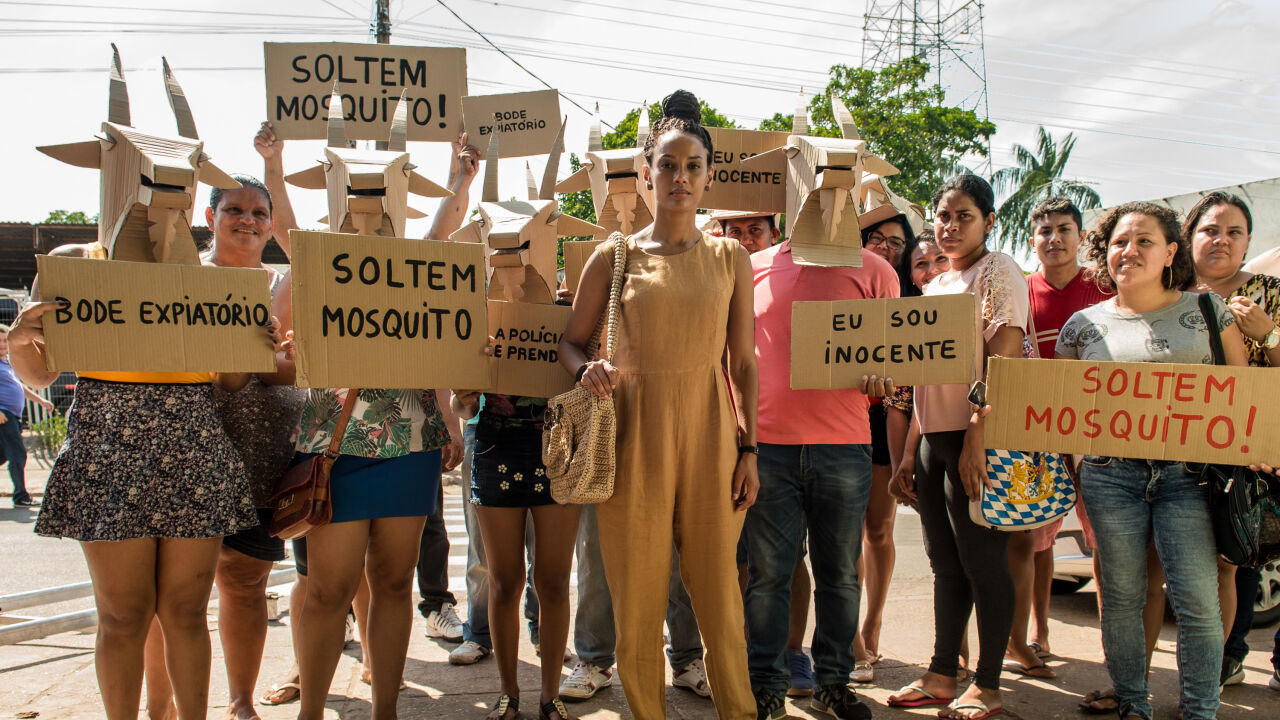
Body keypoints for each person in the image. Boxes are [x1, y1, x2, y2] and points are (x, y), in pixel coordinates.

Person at [8, 240, 271, 719]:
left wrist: (250, 343)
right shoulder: (75, 262)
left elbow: (231, 382)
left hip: (191, 448)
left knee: (186, 613)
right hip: (108, 448)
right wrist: (19, 339)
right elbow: (41, 376)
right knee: (123, 615)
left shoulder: (202, 272)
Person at [558, 90, 758, 720]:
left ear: (708, 176)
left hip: (711, 433)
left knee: (720, 592)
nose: (679, 178)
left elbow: (744, 363)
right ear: (645, 173)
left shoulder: (731, 257)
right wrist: (585, 366)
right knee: (637, 598)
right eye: (667, 165)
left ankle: (741, 710)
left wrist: (749, 447)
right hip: (631, 435)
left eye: (692, 166)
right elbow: (568, 343)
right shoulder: (612, 256)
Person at [1056, 201, 1271, 720]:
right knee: (1123, 598)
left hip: (1190, 478)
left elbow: (1241, 393)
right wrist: (1080, 470)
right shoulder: (1079, 327)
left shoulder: (1206, 311)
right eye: (1118, 242)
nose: (1129, 251)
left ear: (1171, 251)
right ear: (1104, 252)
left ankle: (1200, 710)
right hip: (1111, 479)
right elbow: (1059, 409)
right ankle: (1133, 703)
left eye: (1144, 241)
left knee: (1196, 602)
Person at [141, 173, 306, 720]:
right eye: (234, 209)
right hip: (183, 453)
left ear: (271, 225)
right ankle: (161, 704)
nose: (248, 220)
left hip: (261, 458)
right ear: (209, 217)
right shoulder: (178, 279)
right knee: (169, 596)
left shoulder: (281, 286)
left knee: (245, 581)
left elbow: (295, 371)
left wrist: (273, 359)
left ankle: (239, 702)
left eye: (259, 212)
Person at [743, 203, 900, 720]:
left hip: (844, 446)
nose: (826, 204)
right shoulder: (754, 266)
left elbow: (890, 359)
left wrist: (883, 381)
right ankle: (765, 685)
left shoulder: (876, 270)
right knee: (769, 574)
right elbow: (734, 355)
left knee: (839, 574)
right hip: (767, 447)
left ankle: (835, 683)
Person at [887, 174, 1028, 720]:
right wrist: (907, 455)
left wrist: (979, 436)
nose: (949, 226)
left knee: (983, 562)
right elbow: (924, 380)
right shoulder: (935, 286)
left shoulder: (999, 272)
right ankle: (943, 674)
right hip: (933, 442)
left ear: (989, 221)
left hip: (980, 440)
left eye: (963, 215)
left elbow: (1005, 358)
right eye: (943, 216)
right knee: (945, 564)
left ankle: (988, 684)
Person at [1005, 197, 1113, 680]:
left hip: (1100, 435)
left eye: (1064, 228)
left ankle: (1117, 643)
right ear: (1033, 240)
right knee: (1037, 539)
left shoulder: (1105, 288)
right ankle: (1039, 632)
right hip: (1039, 436)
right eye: (1044, 230)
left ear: (1080, 235)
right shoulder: (1021, 291)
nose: (1054, 238)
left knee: (1107, 543)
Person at [715, 208, 815, 696]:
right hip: (714, 438)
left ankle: (793, 655)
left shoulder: (787, 277)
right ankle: (743, 660)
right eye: (733, 231)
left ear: (776, 234)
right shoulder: (705, 274)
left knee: (787, 558)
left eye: (755, 230)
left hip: (774, 440)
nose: (744, 239)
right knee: (730, 560)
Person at [1182, 191, 1280, 689]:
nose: (1221, 240)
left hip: (1258, 454)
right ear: (1188, 236)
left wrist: (1268, 335)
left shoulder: (1270, 291)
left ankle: (1241, 661)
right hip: (1186, 452)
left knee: (1246, 555)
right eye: (1209, 230)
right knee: (1214, 563)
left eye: (1234, 232)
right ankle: (1221, 661)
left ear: (1246, 243)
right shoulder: (1167, 291)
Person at [850, 212, 919, 684]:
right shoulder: (845, 286)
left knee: (878, 528)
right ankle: (849, 635)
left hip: (889, 420)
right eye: (877, 238)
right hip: (840, 415)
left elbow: (912, 383)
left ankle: (873, 624)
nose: (886, 248)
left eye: (896, 242)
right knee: (840, 536)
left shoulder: (916, 303)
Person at [0, 324, 55, 507]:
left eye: (5, 341)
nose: (2, 345)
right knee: (17, 454)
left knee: (3, 456)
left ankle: (20, 494)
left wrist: (40, 400)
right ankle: (21, 496)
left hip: (12, 416)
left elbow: (19, 387)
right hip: (3, 415)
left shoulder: (8, 362)